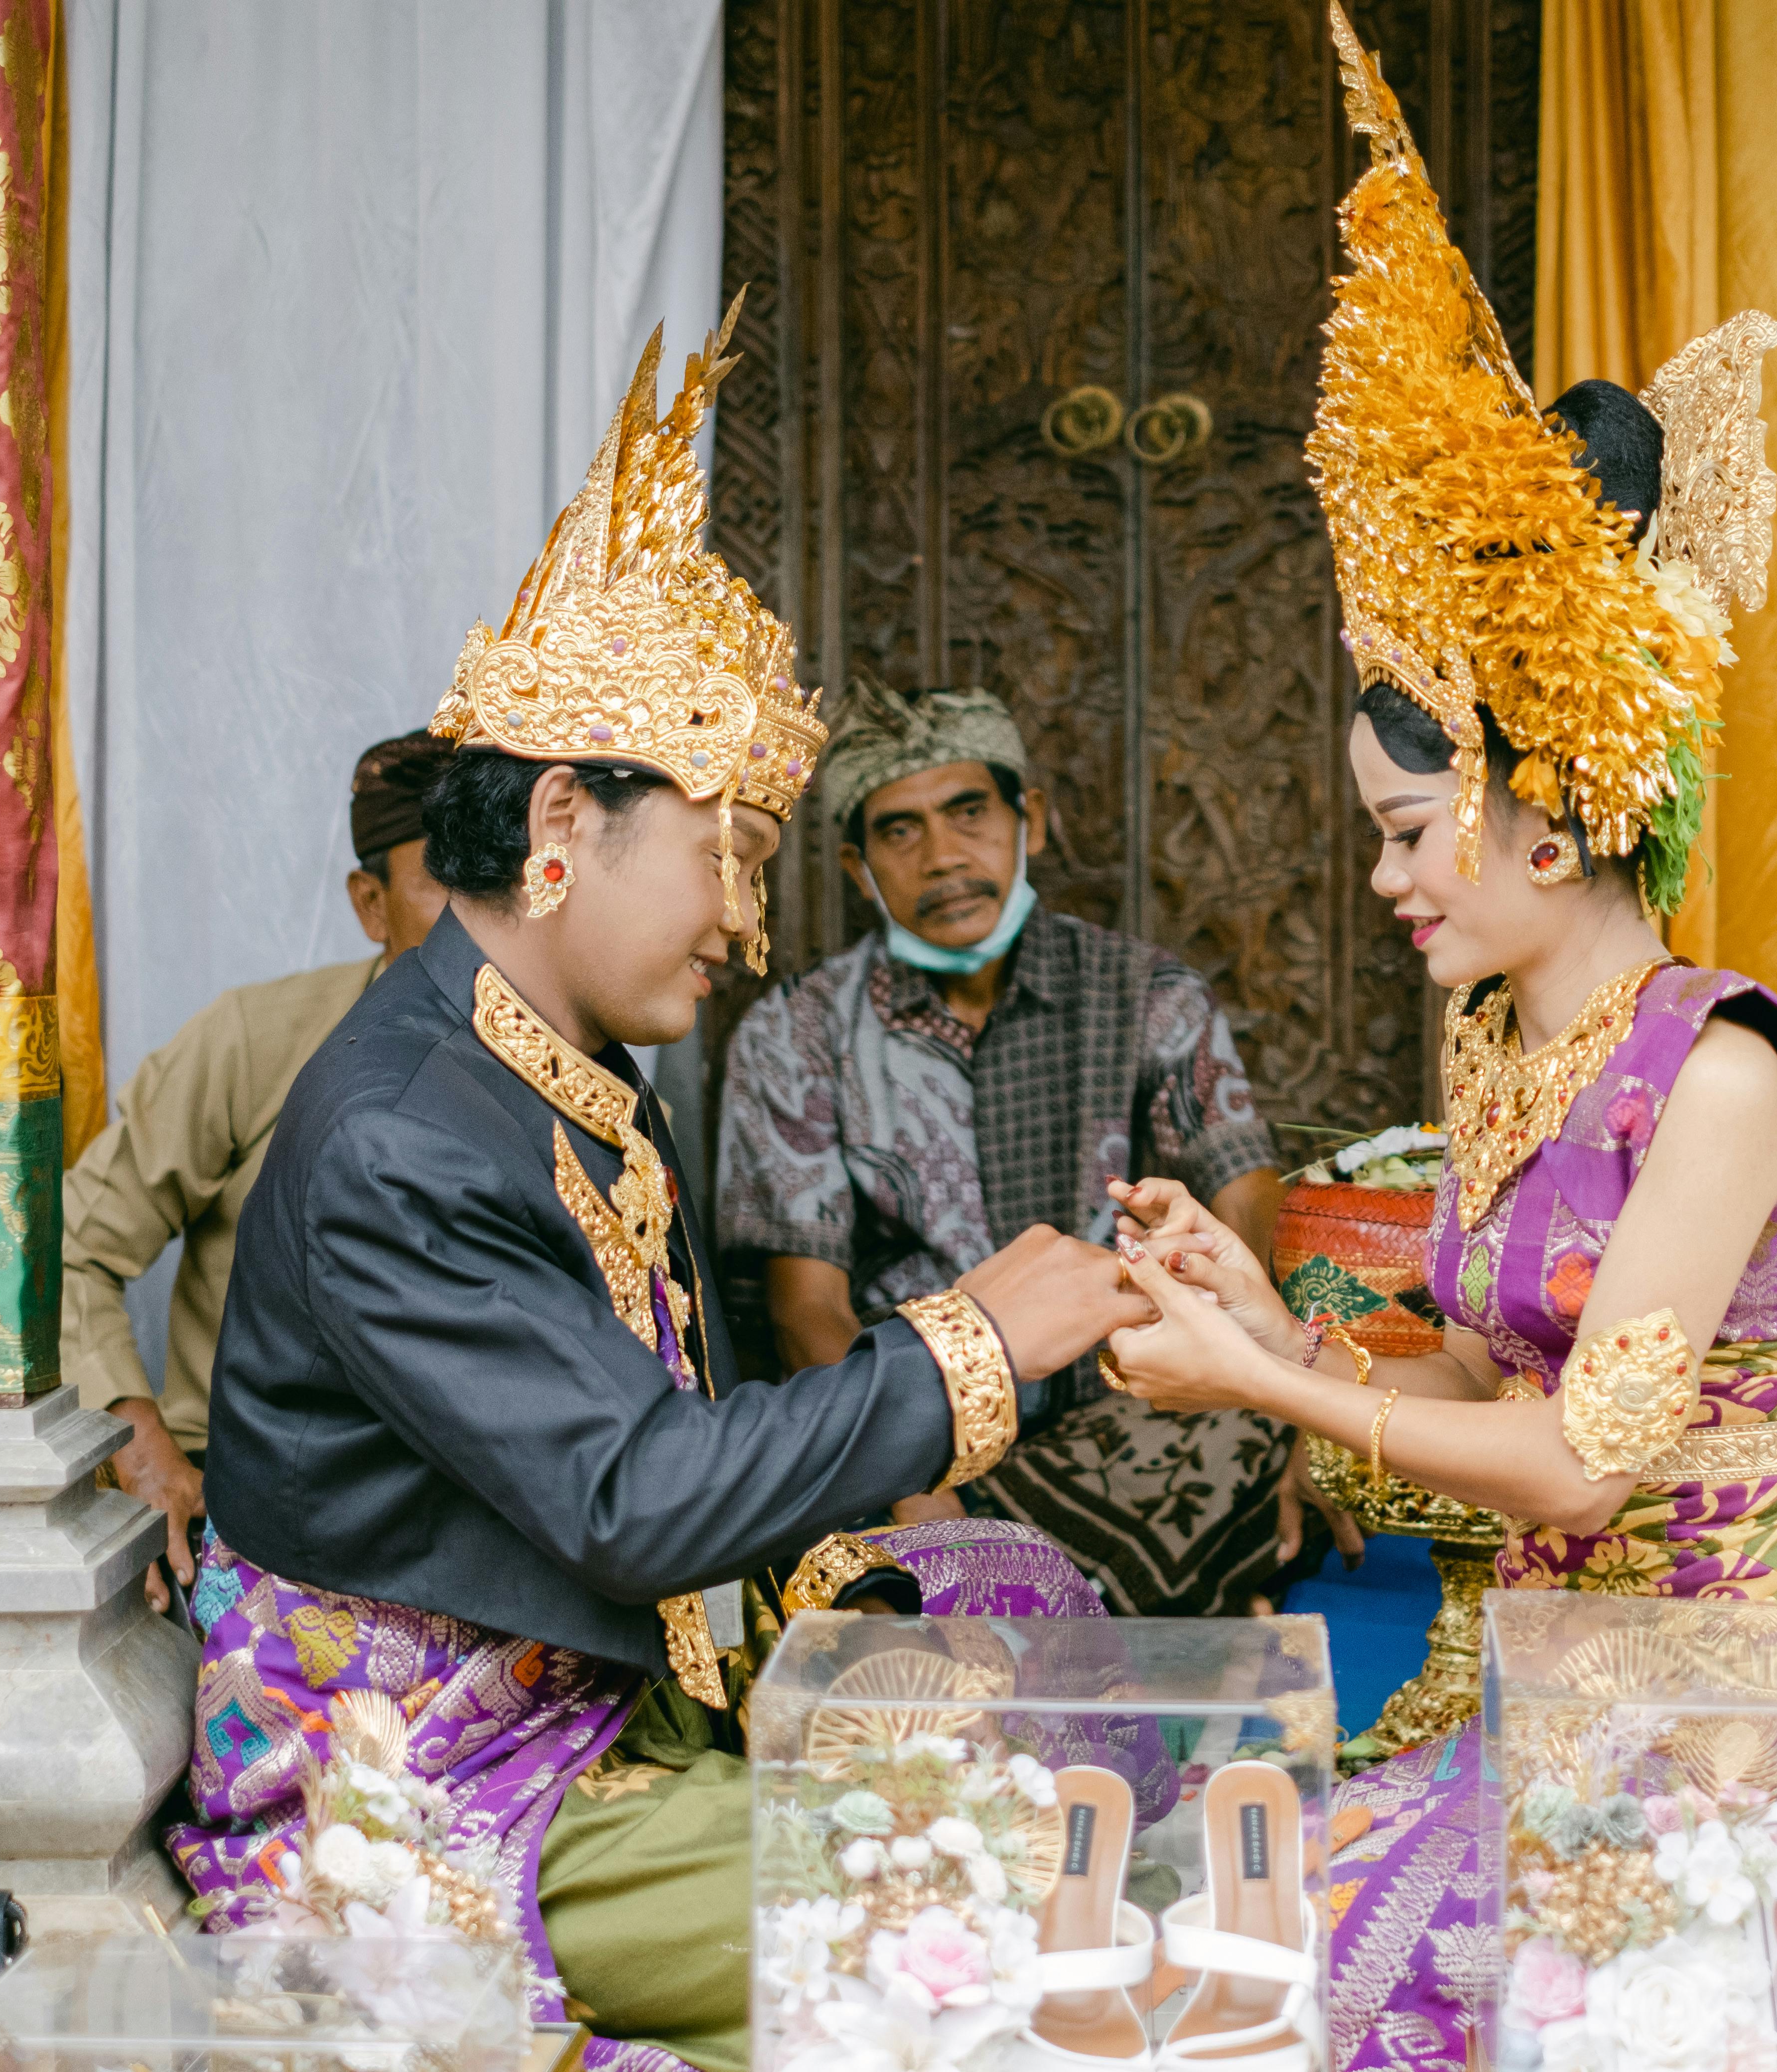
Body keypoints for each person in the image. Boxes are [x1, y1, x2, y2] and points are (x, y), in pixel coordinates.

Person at [172, 312, 1150, 2072]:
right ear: (564, 820)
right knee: (1016, 1906)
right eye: (734, 854)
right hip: (436, 1790)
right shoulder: (407, 1129)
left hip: (588, 1694)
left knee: (1033, 1644)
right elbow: (629, 1496)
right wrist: (963, 1347)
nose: (748, 923)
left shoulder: (553, 1069)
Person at [1096, 22, 1777, 2068]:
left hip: (1711, 1714)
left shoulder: (1715, 1069)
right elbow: (1477, 1386)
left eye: (1405, 828)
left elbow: (1571, 1453)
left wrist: (1248, 1376)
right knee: (1188, 1915)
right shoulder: (1500, 1048)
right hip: (1543, 1656)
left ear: (1544, 808)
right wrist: (1270, 1336)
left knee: (1287, 1981)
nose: (1389, 875)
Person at [716, 675, 1291, 1615]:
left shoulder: (1147, 992)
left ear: (1034, 819)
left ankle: (1030, 1621)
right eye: (901, 831)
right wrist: (924, 1506)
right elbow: (806, 1313)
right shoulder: (797, 1031)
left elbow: (1246, 1191)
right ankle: (1115, 1618)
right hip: (910, 1448)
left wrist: (1274, 1382)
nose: (944, 857)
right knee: (818, 1536)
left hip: (1124, 1427)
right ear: (860, 870)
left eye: (970, 812)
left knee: (1251, 1432)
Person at [61, 729, 452, 1603]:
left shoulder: (566, 1071)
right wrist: (139, 1445)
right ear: (371, 903)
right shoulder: (254, 1043)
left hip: (457, 1530)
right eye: (443, 878)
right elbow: (71, 1250)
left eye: (502, 877)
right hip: (253, 1509)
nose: (482, 912)